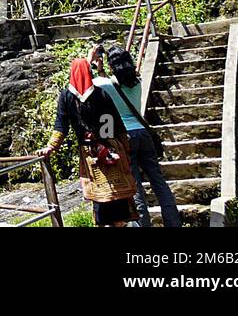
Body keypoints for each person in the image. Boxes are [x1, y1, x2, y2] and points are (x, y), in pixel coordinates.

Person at [38, 57, 138, 226]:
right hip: (111, 150)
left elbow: (61, 125)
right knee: (117, 195)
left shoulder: (66, 96)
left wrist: (51, 147)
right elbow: (115, 123)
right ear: (88, 73)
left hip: (90, 154)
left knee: (99, 195)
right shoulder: (101, 94)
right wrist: (124, 149)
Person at [93, 44, 182, 228]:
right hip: (143, 133)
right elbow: (114, 84)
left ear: (112, 66)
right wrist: (103, 70)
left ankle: (142, 225)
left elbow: (90, 85)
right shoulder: (137, 82)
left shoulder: (105, 85)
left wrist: (93, 62)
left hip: (124, 138)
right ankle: (174, 223)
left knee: (135, 188)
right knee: (159, 183)